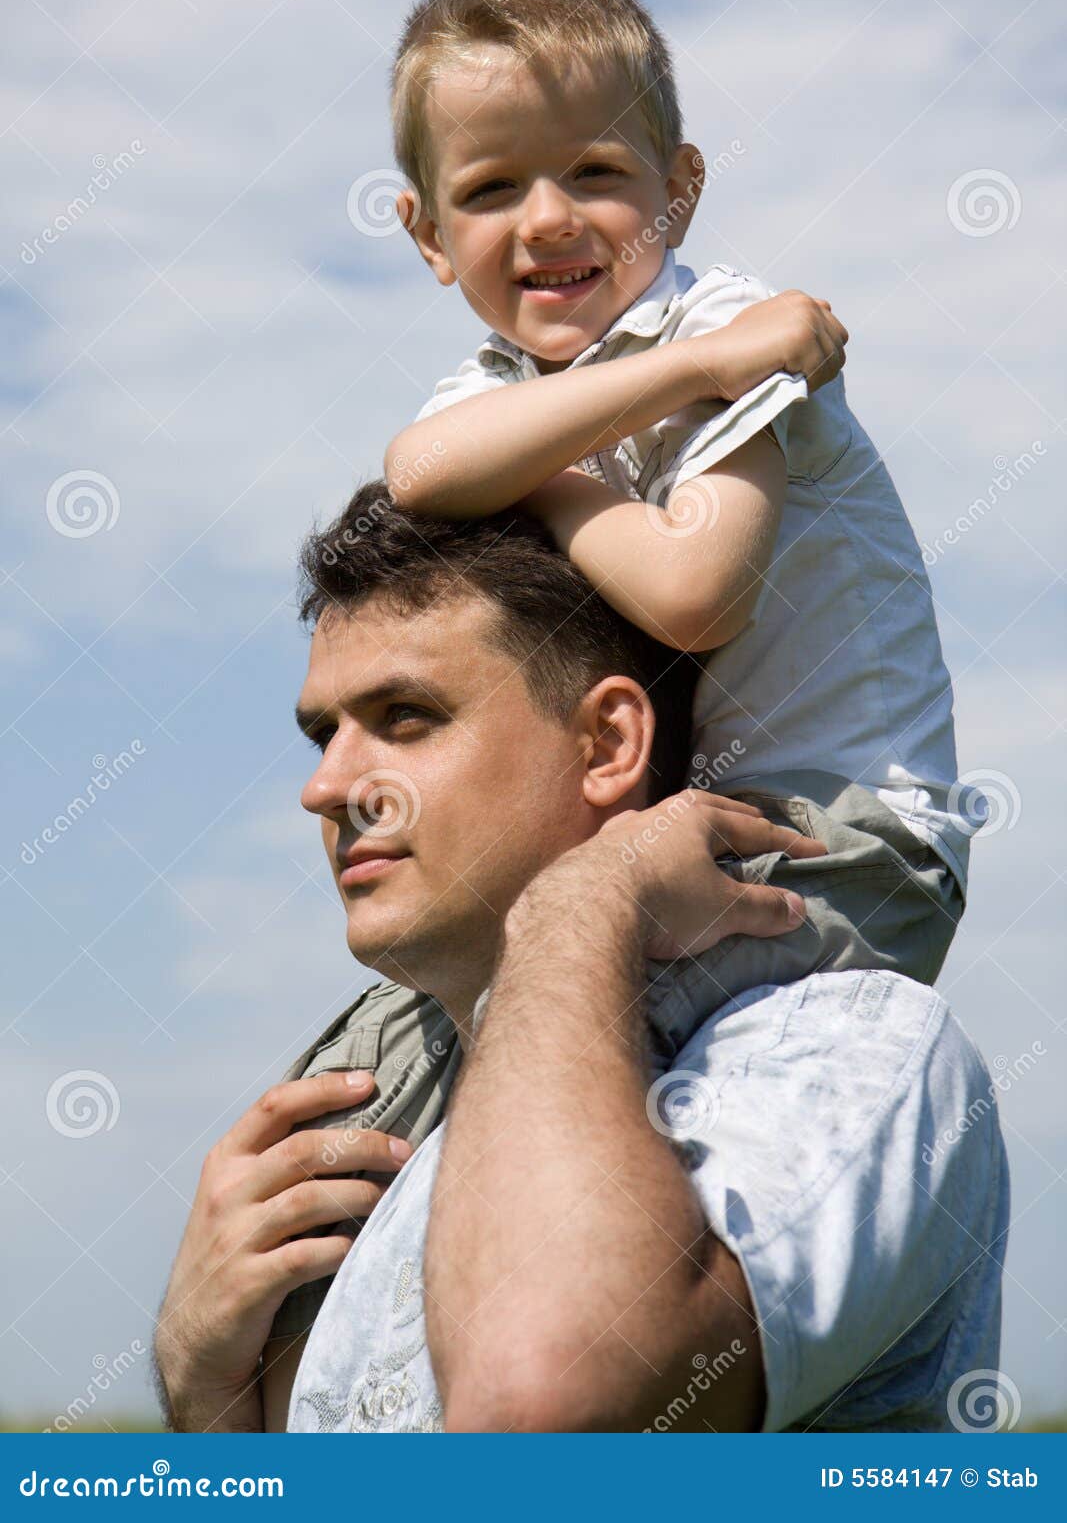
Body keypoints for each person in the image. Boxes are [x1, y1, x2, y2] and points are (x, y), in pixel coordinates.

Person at [153, 488, 1008, 1433]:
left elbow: (549, 1409)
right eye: (324, 733)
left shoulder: (853, 1044)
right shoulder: (382, 1127)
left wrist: (578, 903)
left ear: (606, 744)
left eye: (403, 716)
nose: (326, 786)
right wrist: (204, 1389)